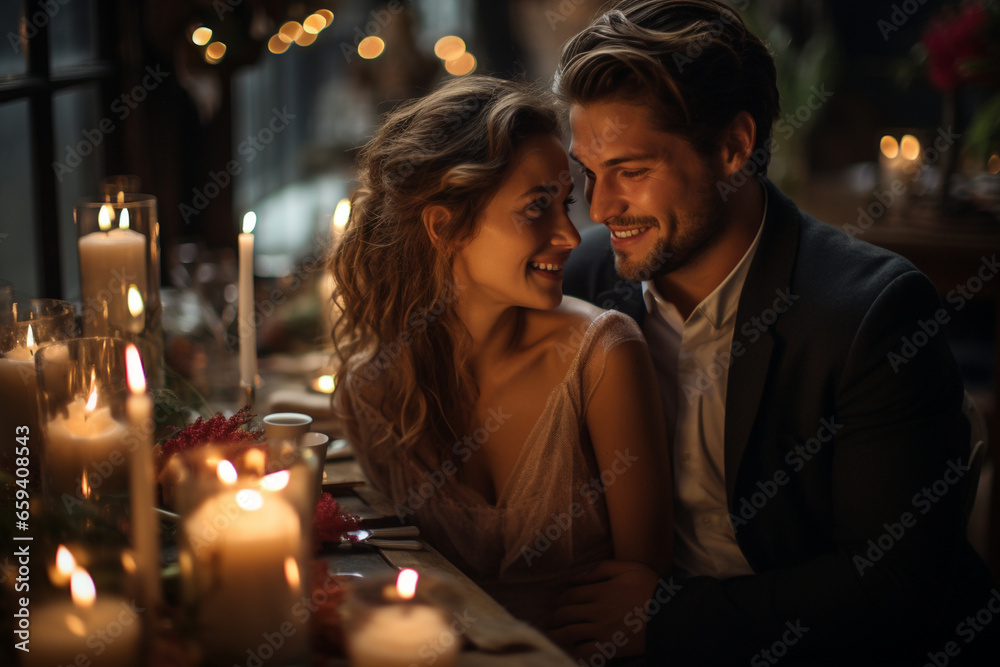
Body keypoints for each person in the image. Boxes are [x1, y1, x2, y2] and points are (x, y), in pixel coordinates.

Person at [553, 1, 999, 664]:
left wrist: (670, 618)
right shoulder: (586, 275)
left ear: (733, 147)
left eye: (633, 171)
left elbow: (897, 586)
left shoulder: (874, 313)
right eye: (589, 173)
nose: (600, 206)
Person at [328, 76, 671, 628]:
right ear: (444, 227)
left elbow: (642, 598)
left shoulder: (602, 357)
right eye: (537, 207)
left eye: (565, 203)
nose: (570, 235)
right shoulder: (372, 390)